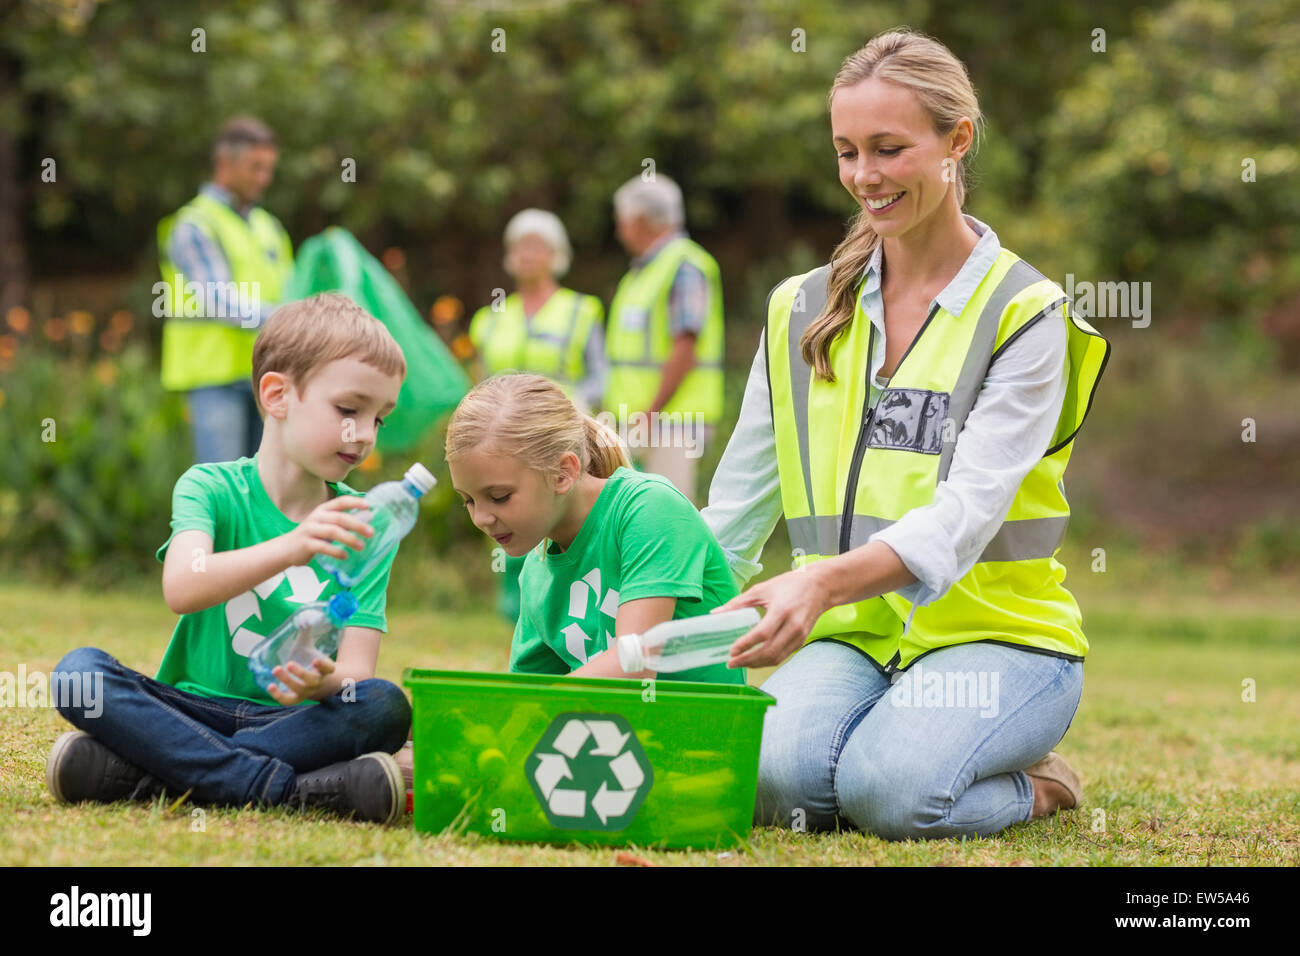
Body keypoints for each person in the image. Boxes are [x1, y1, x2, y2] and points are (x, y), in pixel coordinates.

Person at [700, 29, 1110, 841]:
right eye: (847, 152)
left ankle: (1040, 783)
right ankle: (882, 741)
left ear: (957, 140)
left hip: (999, 637)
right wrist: (667, 614)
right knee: (781, 788)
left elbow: (966, 512)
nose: (864, 177)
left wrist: (817, 584)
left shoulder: (1026, 316)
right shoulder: (798, 310)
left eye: (889, 149)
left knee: (890, 795)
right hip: (853, 638)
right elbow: (738, 506)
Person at [47, 293, 413, 825]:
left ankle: (153, 774)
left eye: (380, 418)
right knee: (78, 674)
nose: (365, 435)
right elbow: (183, 588)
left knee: (384, 705)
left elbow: (357, 674)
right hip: (188, 708)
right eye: (349, 410)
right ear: (277, 394)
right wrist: (294, 546)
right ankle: (284, 789)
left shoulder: (366, 526)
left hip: (290, 724)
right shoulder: (209, 487)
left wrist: (324, 684)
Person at [467, 209, 607, 622]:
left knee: (560, 520)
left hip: (558, 436)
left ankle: (568, 611)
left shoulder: (581, 310)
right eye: (518, 246)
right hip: (501, 440)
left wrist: (573, 411)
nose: (526, 255)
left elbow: (601, 375)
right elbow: (477, 382)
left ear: (556, 254)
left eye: (535, 246)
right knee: (505, 512)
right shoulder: (490, 318)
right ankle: (518, 613)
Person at [158, 115, 294, 464]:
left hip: (268, 376)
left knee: (265, 490)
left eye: (269, 169)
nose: (264, 178)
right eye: (255, 167)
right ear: (224, 163)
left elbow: (289, 289)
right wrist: (291, 319)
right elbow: (217, 301)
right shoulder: (195, 224)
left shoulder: (268, 226)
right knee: (223, 490)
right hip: (215, 381)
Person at [604, 175, 724, 505]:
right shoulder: (642, 272)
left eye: (622, 221)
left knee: (667, 516)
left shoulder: (684, 266)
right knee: (640, 514)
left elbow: (686, 347)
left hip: (671, 420)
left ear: (642, 220)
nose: (619, 230)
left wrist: (651, 411)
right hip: (646, 418)